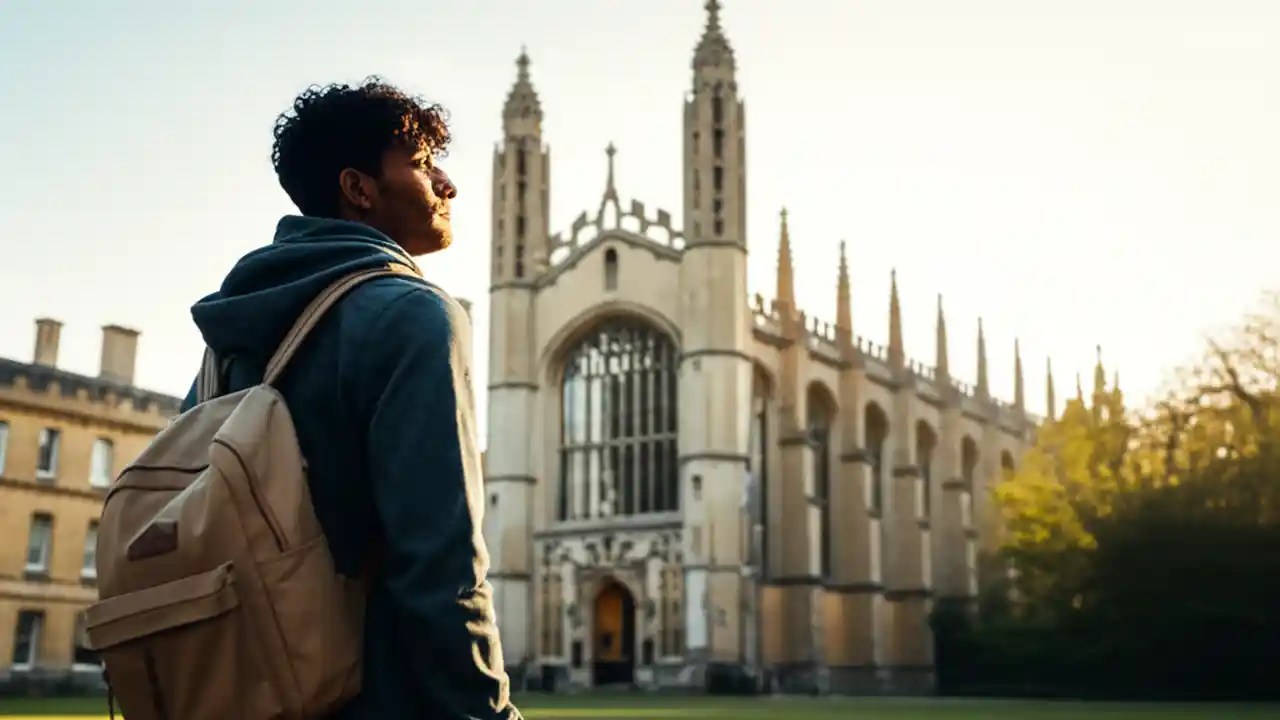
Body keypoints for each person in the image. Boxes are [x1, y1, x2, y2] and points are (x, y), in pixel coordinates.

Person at [180, 77, 522, 720]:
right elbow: (440, 564)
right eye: (423, 165)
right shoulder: (412, 315)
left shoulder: (228, 339)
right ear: (359, 188)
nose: (448, 183)